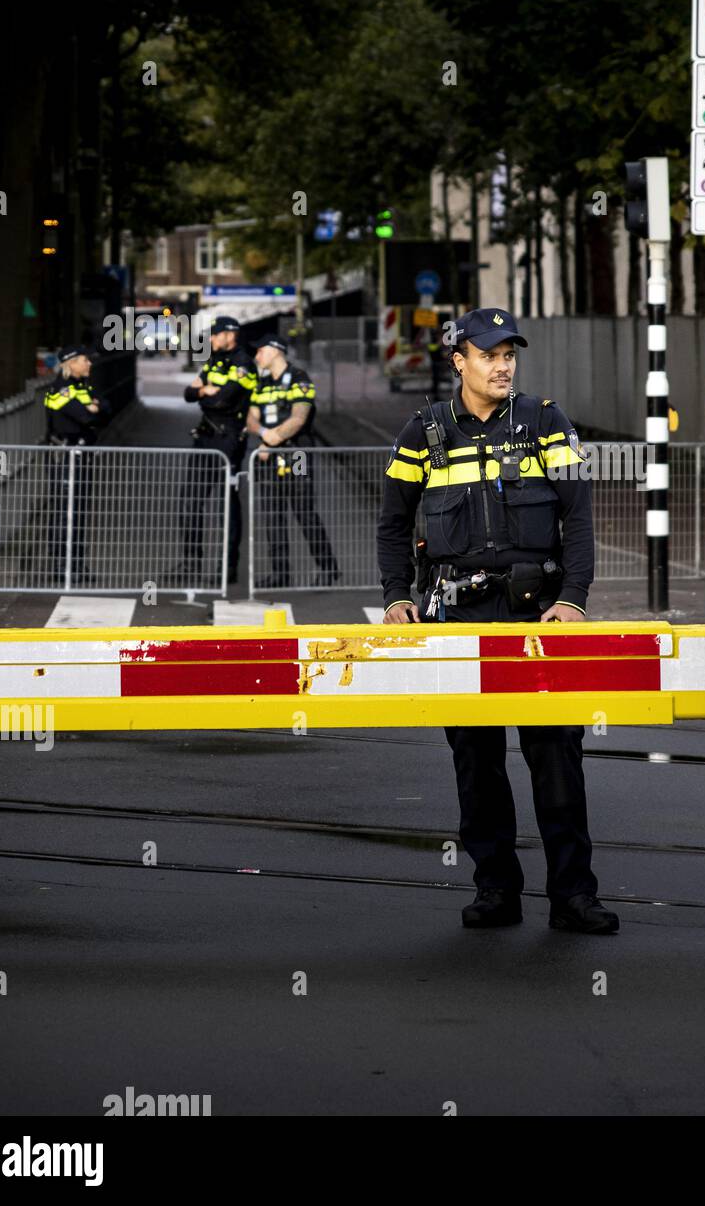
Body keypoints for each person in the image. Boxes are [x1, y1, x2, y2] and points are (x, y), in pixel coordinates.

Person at [376, 306, 618, 936]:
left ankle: (573, 896)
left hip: (539, 617)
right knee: (476, 760)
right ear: (460, 361)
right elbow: (394, 525)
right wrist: (396, 596)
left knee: (556, 757)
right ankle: (496, 889)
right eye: (489, 354)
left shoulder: (545, 422)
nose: (503, 364)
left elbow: (580, 519)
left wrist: (574, 599)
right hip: (460, 619)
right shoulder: (423, 431)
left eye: (510, 353)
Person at [246, 335, 340, 590]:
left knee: (303, 511)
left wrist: (271, 440)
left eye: (260, 351)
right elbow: (251, 418)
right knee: (272, 515)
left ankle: (327, 568)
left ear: (276, 351)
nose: (256, 357)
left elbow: (299, 418)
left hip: (297, 454)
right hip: (270, 458)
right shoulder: (262, 383)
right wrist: (265, 435)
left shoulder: (299, 379)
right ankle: (280, 573)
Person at [180, 315, 255, 584]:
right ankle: (190, 563)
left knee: (227, 505)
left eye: (215, 334)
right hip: (204, 436)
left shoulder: (244, 363)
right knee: (189, 501)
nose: (210, 339)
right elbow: (188, 394)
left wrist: (209, 393)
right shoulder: (214, 362)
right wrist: (204, 392)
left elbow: (225, 400)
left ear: (229, 335)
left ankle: (227, 567)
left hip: (228, 439)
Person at [42, 343, 103, 583]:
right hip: (65, 456)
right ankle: (60, 565)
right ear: (71, 363)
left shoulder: (81, 386)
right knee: (63, 512)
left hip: (81, 455)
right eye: (84, 360)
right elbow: (86, 416)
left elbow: (104, 409)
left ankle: (76, 564)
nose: (89, 363)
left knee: (77, 511)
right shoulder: (61, 389)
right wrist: (92, 409)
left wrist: (94, 408)